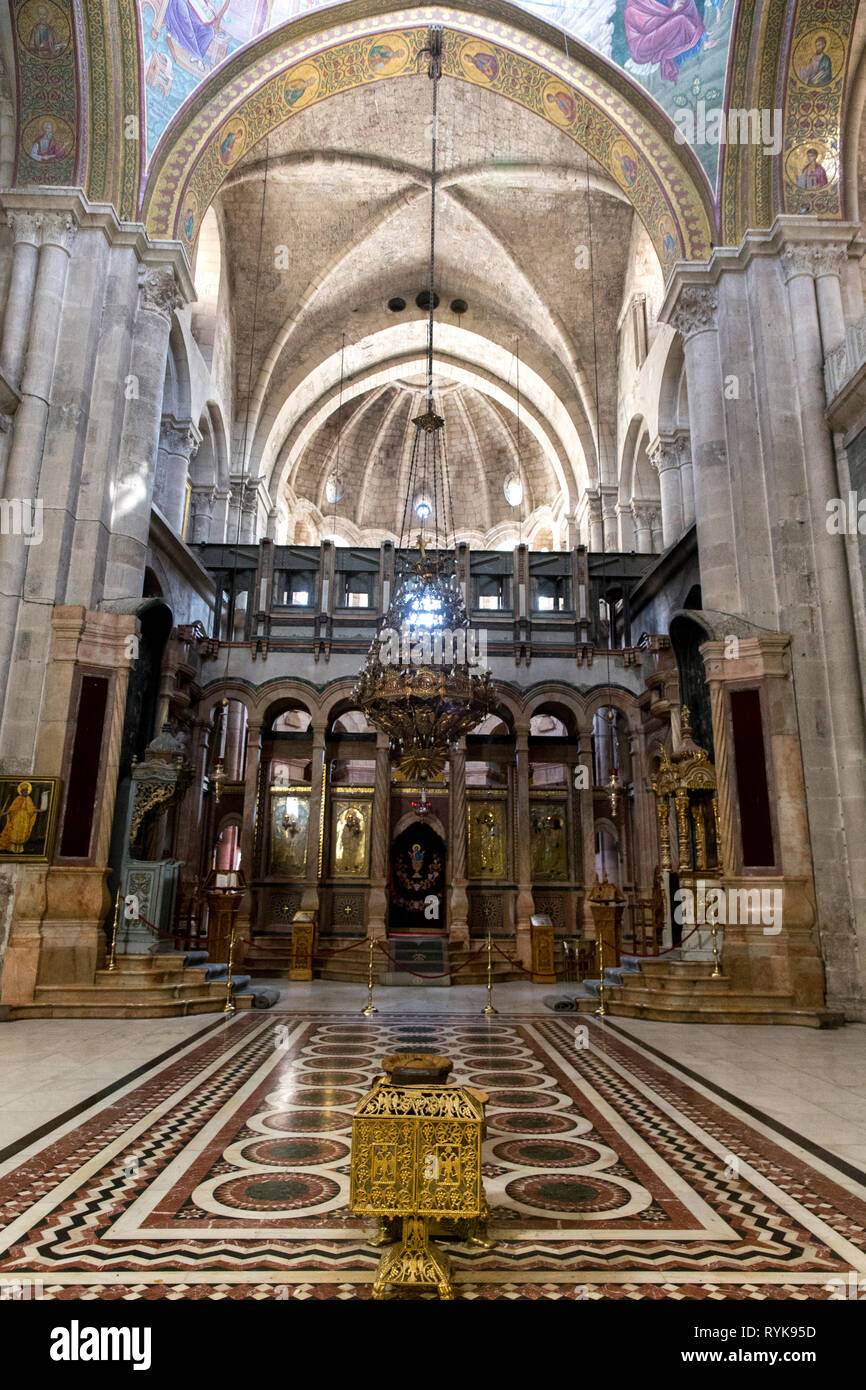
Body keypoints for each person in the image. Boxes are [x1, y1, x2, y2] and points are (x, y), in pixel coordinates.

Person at [0, 782, 38, 854]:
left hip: (25, 819)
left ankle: (19, 849)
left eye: (26, 791)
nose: (25, 792)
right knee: (15, 832)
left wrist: (36, 810)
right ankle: (12, 848)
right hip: (16, 818)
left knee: (23, 832)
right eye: (24, 791)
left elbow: (31, 809)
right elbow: (12, 809)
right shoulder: (18, 799)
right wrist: (5, 813)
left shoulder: (29, 799)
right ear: (21, 791)